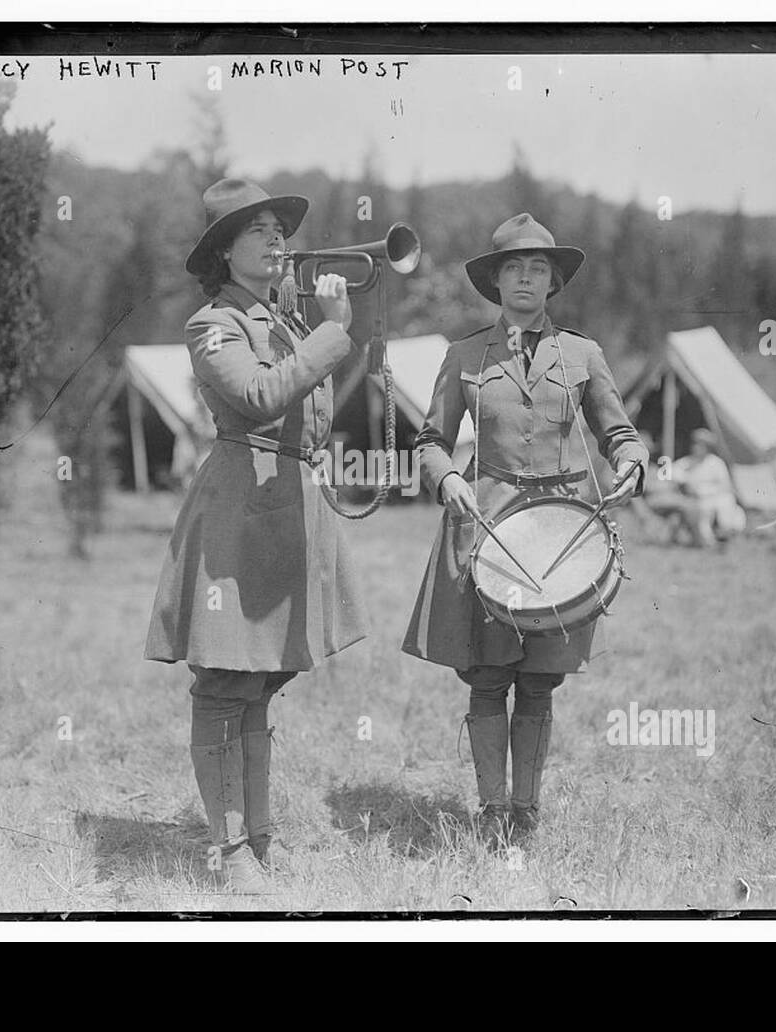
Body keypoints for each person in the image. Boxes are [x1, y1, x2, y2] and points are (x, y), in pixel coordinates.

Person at [144, 179, 370, 892]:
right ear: (223, 251)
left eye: (280, 229)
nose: (278, 240)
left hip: (289, 502)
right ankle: (229, 850)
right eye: (258, 231)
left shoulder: (286, 323)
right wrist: (335, 328)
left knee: (263, 682)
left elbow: (310, 407)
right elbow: (259, 396)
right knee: (224, 679)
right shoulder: (213, 323)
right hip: (243, 504)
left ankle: (257, 838)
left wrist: (311, 325)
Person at [402, 213, 648, 845]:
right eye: (514, 267)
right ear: (496, 281)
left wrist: (631, 461)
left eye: (538, 268)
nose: (526, 279)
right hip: (488, 528)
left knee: (539, 679)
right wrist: (446, 478)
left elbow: (617, 431)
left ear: (553, 281)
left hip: (565, 533)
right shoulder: (464, 356)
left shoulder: (583, 355)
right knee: (488, 676)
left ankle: (526, 812)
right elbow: (430, 441)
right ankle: (489, 811)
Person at [666, 428, 745, 547]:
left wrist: (707, 490)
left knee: (725, 505)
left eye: (701, 445)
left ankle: (724, 535)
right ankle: (707, 541)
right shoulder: (688, 462)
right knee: (701, 511)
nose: (697, 447)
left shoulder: (716, 463)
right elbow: (671, 471)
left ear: (707, 448)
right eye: (696, 444)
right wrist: (683, 478)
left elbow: (725, 485)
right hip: (697, 500)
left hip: (716, 497)